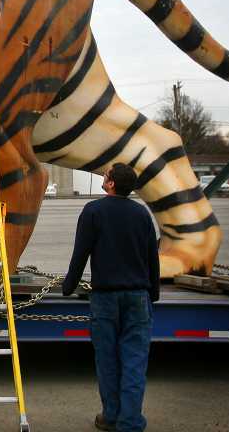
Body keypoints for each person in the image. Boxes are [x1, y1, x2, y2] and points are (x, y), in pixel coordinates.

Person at [62, 163, 160, 432]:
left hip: (105, 298)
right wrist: (154, 292)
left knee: (107, 361)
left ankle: (111, 416)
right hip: (138, 297)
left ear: (112, 183)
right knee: (134, 362)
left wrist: (68, 286)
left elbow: (81, 252)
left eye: (105, 176)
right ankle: (130, 422)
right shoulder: (142, 214)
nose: (103, 178)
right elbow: (152, 255)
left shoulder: (93, 211)